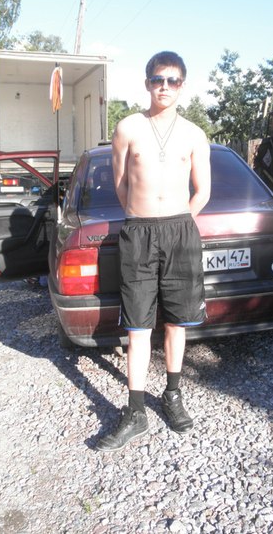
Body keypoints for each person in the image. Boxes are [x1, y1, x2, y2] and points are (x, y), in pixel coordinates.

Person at [96, 51, 211, 452]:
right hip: (138, 233)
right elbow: (121, 185)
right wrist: (143, 218)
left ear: (182, 85)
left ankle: (172, 395)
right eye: (158, 79)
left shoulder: (194, 134)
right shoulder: (127, 127)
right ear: (147, 83)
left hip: (180, 232)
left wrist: (177, 222)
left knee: (177, 322)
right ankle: (135, 412)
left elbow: (203, 190)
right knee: (138, 325)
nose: (165, 86)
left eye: (173, 80)